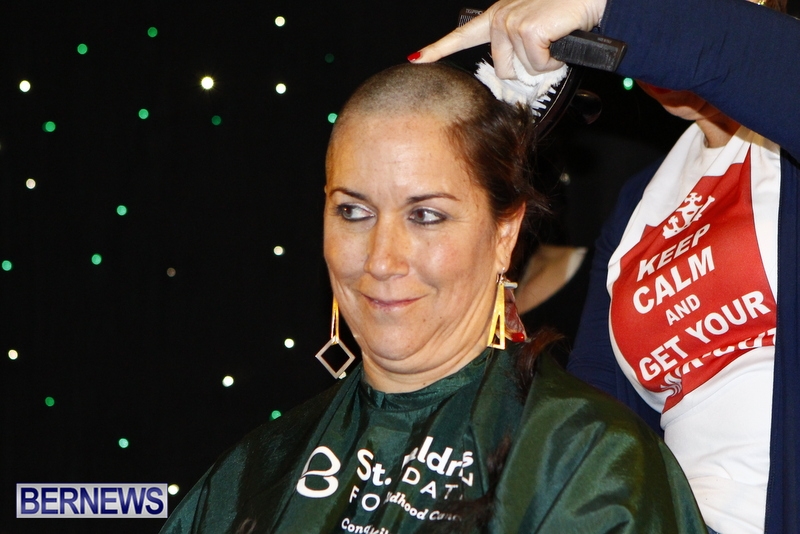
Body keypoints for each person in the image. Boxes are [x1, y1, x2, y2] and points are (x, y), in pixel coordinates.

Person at [158, 63, 706, 533]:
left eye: (425, 215)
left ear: (504, 234)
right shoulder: (256, 472)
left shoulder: (587, 465)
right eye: (353, 211)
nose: (381, 259)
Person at [415, 0, 800, 532]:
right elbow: (596, 410)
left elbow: (761, 61)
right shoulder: (638, 203)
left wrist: (603, 5)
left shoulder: (785, 133)